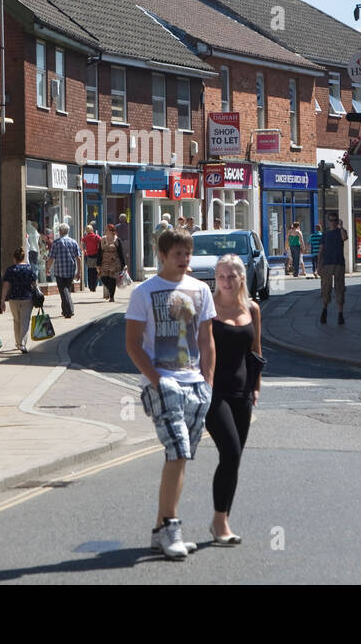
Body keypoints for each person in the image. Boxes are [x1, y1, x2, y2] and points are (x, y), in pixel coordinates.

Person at [126, 228, 216, 560]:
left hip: (194, 384)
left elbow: (206, 341)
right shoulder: (144, 292)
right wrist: (156, 380)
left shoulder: (200, 289)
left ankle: (158, 530)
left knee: (179, 457)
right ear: (162, 255)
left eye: (187, 254)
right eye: (177, 254)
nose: (184, 259)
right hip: (162, 382)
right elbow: (132, 344)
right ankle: (171, 528)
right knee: (178, 451)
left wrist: (207, 382)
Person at [205, 254, 263, 547]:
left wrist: (256, 386)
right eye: (221, 276)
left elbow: (256, 350)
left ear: (242, 278)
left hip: (243, 394)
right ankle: (220, 521)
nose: (226, 282)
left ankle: (222, 518)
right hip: (214, 394)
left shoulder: (252, 308)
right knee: (229, 452)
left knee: (235, 459)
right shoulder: (207, 309)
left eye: (231, 276)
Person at [0, 248, 38, 353]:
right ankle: (22, 344)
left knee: (16, 321)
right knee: (25, 321)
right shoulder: (29, 269)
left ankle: (18, 343)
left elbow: (6, 285)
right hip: (27, 298)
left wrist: (3, 300)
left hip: (13, 298)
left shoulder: (10, 270)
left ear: (14, 258)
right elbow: (34, 284)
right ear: (23, 257)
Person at [47, 222, 81, 318]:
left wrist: (47, 268)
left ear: (61, 231)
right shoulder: (73, 242)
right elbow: (78, 258)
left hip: (60, 271)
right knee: (66, 290)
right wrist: (79, 272)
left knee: (64, 291)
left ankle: (69, 310)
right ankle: (64, 310)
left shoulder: (56, 243)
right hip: (70, 270)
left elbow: (51, 258)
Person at [318, 214, 347, 324]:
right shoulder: (325, 234)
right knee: (326, 288)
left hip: (339, 263)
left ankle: (340, 314)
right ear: (328, 221)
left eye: (335, 220)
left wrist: (342, 227)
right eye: (331, 220)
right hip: (327, 264)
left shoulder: (341, 231)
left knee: (340, 288)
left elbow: (344, 238)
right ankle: (324, 310)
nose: (333, 222)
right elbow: (321, 251)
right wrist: (319, 265)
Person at [99, 223, 127, 301]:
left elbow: (121, 252)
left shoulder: (117, 240)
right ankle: (109, 290)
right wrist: (98, 263)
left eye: (107, 230)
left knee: (112, 279)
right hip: (105, 262)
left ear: (111, 231)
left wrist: (123, 264)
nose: (105, 231)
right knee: (103, 277)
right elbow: (99, 251)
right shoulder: (103, 239)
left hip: (115, 262)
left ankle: (112, 296)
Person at [82, 224, 102, 293]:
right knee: (95, 271)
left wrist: (85, 250)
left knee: (90, 271)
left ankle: (90, 286)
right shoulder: (96, 237)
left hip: (89, 256)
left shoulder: (85, 238)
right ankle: (94, 286)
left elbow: (82, 247)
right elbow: (101, 242)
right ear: (92, 230)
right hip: (96, 255)